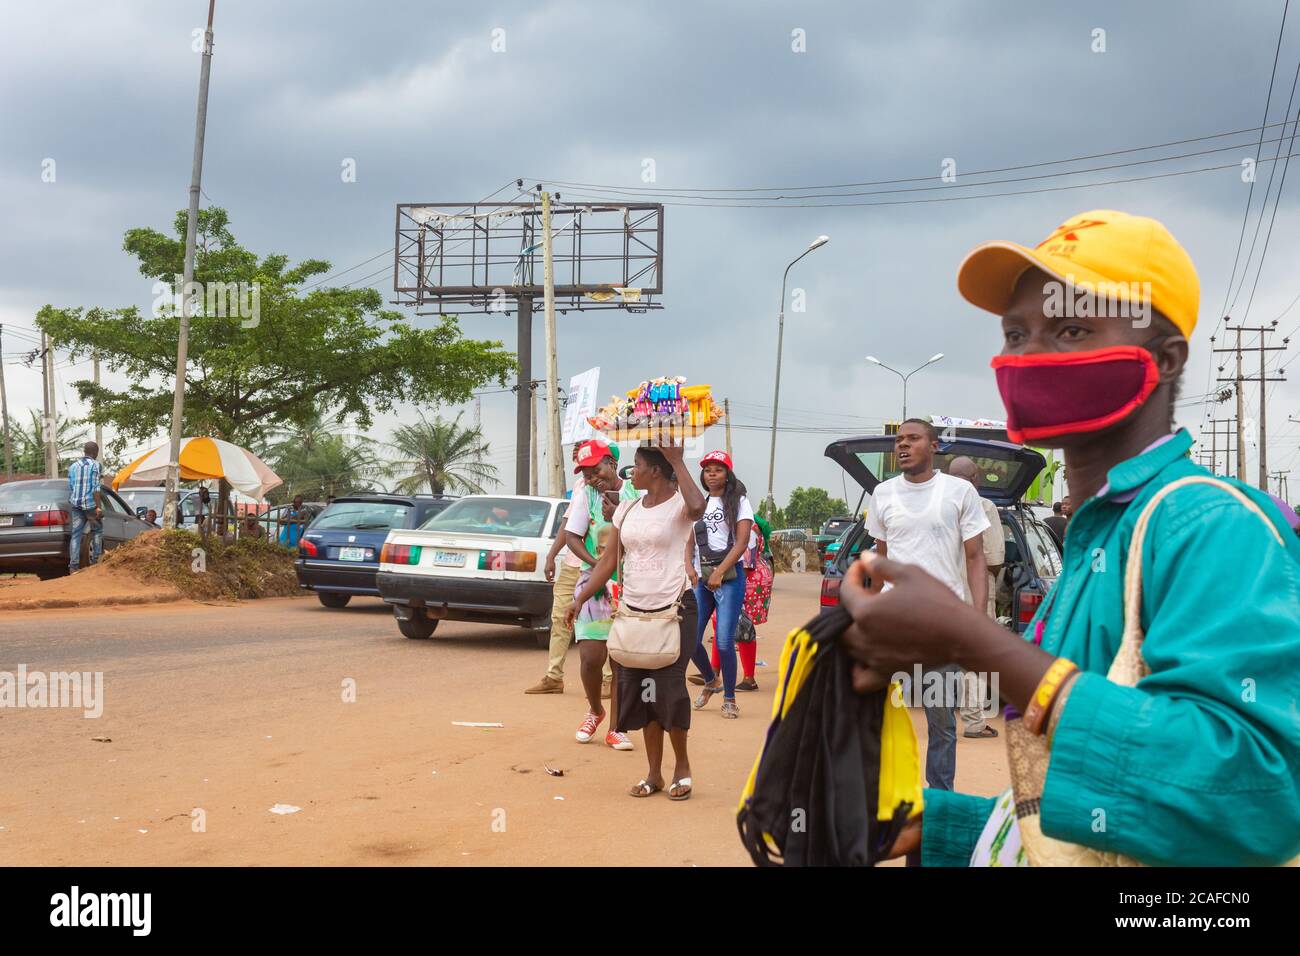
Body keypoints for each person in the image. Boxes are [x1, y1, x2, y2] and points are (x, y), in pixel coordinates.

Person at [843, 209, 1300, 866]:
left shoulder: (1209, 526)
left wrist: (972, 641)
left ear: (1165, 360)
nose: (1027, 356)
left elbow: (1256, 800)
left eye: (1073, 330)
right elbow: (1091, 816)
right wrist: (933, 827)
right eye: (1015, 333)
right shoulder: (1093, 543)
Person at [566, 445, 706, 799]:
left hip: (675, 608)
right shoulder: (626, 510)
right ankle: (654, 773)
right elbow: (608, 560)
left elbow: (698, 507)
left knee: (670, 689)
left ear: (655, 471)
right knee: (643, 691)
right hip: (634, 611)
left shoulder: (679, 506)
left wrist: (677, 459)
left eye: (638, 466)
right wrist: (579, 599)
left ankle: (683, 767)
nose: (631, 473)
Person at [864, 419, 989, 791]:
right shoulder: (883, 494)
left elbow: (975, 558)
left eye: (913, 439)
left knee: (942, 720)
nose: (903, 445)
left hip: (942, 624)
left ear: (934, 446)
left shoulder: (959, 492)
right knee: (875, 711)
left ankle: (939, 800)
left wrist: (977, 619)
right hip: (894, 622)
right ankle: (878, 795)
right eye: (899, 440)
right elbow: (880, 561)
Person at [562, 438, 639, 749]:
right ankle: (595, 709)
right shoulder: (586, 495)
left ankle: (618, 727)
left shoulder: (637, 490)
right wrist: (597, 563)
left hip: (633, 582)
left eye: (596, 471)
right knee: (591, 657)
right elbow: (571, 535)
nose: (593, 478)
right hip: (593, 581)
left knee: (622, 659)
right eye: (587, 474)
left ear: (611, 463)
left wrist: (617, 513)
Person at [527, 444, 603, 696]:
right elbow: (569, 526)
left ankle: (608, 679)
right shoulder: (582, 487)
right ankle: (554, 676)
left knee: (605, 623)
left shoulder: (619, 489)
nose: (588, 475)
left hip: (603, 568)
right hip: (573, 565)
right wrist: (551, 555)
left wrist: (601, 565)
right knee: (560, 620)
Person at [687, 451, 753, 718]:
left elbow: (741, 543)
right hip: (702, 577)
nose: (712, 473)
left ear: (728, 475)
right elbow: (688, 540)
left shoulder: (739, 502)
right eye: (707, 470)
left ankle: (729, 698)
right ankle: (710, 680)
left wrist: (720, 572)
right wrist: (688, 566)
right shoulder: (698, 505)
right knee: (689, 638)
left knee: (724, 641)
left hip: (729, 577)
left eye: (718, 469)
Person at [949, 456, 1004, 739]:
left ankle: (942, 717)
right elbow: (994, 558)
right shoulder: (985, 507)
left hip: (943, 591)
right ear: (976, 479)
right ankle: (974, 722)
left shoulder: (938, 508)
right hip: (976, 590)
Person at [66, 441, 103, 573]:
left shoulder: (73, 466)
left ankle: (73, 566)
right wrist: (98, 507)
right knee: (97, 530)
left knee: (76, 534)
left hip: (76, 504)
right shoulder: (96, 465)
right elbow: (96, 488)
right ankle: (96, 563)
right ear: (95, 452)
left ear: (85, 451)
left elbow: (70, 486)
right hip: (90, 505)